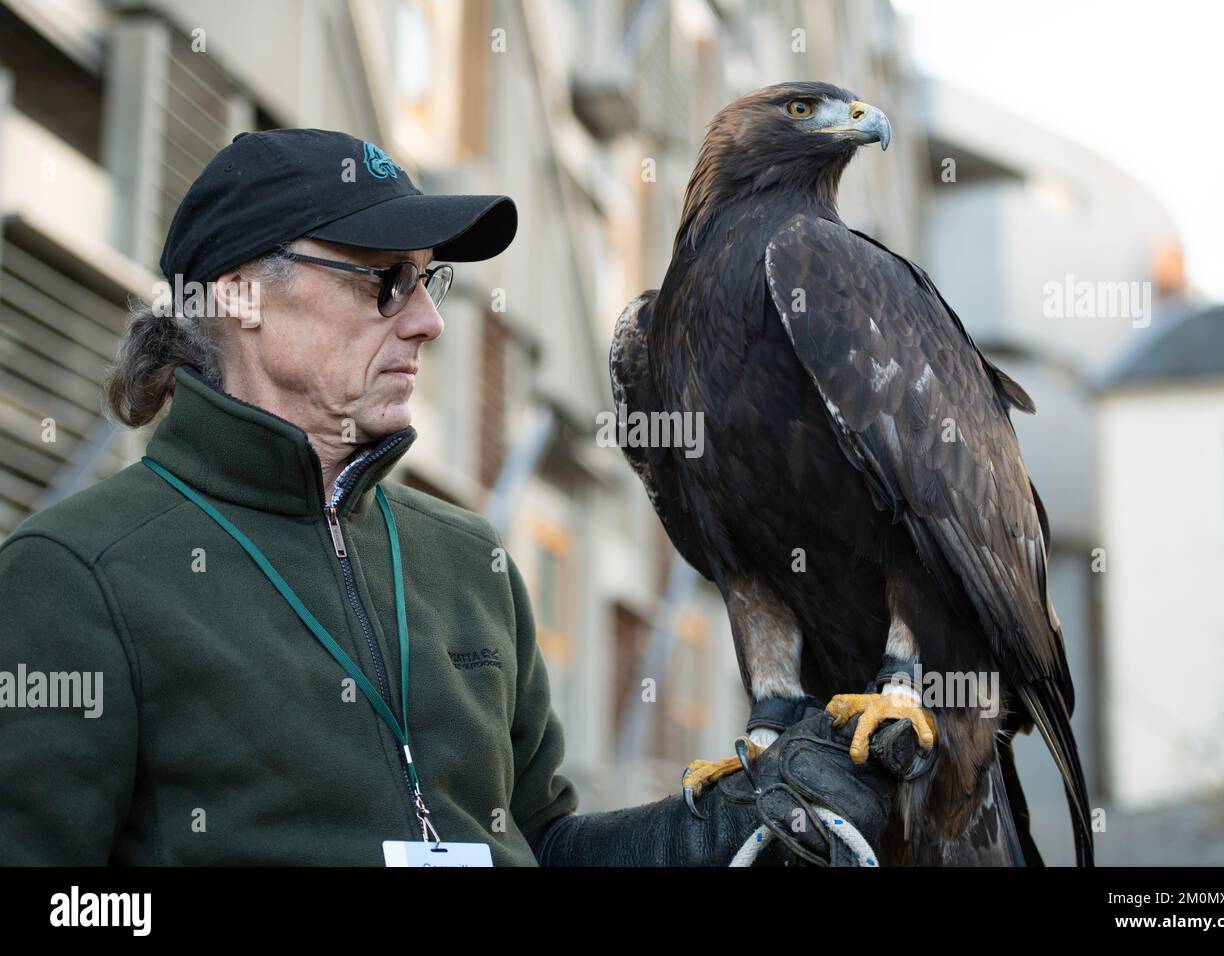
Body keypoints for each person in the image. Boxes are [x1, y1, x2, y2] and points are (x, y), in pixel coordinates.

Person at [0, 129, 905, 866]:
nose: (428, 319)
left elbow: (538, 844)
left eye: (428, 280)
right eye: (383, 281)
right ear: (238, 294)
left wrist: (708, 834)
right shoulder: (75, 577)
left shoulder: (472, 559)